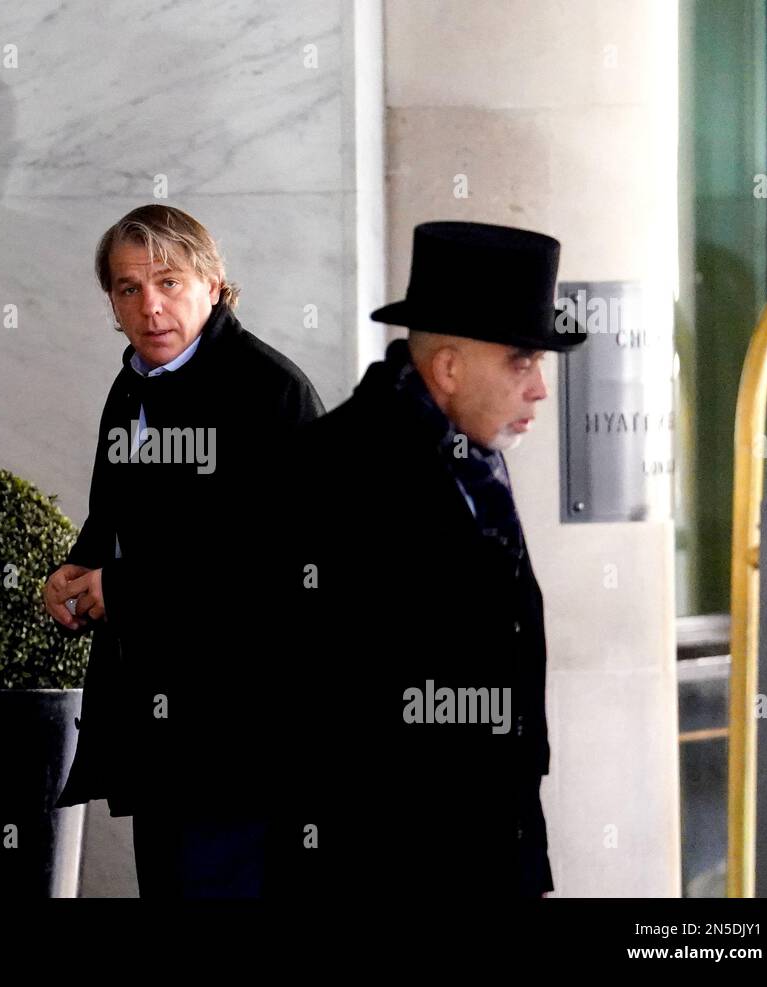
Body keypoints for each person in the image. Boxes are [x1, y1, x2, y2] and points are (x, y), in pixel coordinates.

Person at [271, 221, 587, 898]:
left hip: (483, 853)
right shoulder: (338, 469)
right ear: (448, 368)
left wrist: (524, 864)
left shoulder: (470, 460)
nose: (540, 388)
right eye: (522, 361)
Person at [42, 204, 323, 897]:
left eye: (169, 282)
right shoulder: (132, 384)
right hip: (159, 736)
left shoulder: (270, 390)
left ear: (213, 285)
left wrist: (123, 587)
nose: (151, 305)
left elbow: (289, 566)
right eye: (129, 288)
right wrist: (78, 569)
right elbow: (118, 515)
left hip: (242, 741)